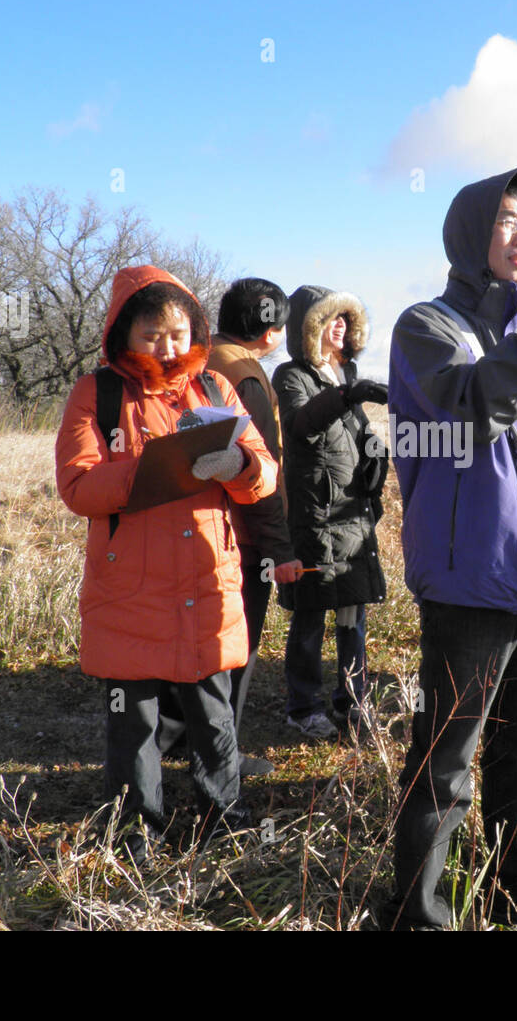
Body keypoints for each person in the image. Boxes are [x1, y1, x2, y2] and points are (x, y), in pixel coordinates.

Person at [384, 165, 517, 929]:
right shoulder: (425, 328)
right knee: (445, 764)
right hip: (469, 579)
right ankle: (419, 914)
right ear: (473, 233)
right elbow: (474, 409)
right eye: (507, 220)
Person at [55, 265, 277, 856]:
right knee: (135, 723)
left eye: (178, 333)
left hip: (208, 580)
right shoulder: (96, 394)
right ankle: (134, 838)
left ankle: (223, 822)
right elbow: (78, 487)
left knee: (215, 714)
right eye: (153, 334)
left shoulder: (214, 389)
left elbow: (265, 473)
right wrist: (156, 469)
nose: (168, 347)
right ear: (124, 334)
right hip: (130, 589)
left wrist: (241, 469)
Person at [272, 285, 388, 740]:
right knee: (310, 611)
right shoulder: (291, 375)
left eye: (344, 317)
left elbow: (350, 439)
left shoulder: (346, 371)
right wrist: (345, 395)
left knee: (352, 612)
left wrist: (374, 453)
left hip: (353, 513)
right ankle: (303, 708)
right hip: (315, 516)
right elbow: (302, 426)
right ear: (307, 328)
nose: (338, 324)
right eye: (328, 318)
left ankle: (352, 703)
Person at [204, 278, 303, 774]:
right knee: (238, 644)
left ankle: (186, 741)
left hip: (206, 531)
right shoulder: (244, 376)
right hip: (245, 539)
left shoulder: (201, 360)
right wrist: (279, 548)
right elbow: (259, 470)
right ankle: (226, 754)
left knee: (202, 644)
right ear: (270, 331)